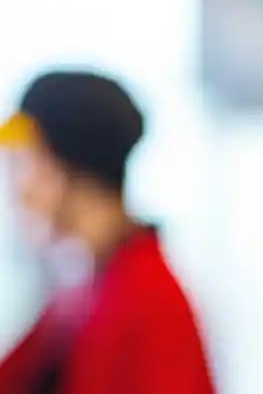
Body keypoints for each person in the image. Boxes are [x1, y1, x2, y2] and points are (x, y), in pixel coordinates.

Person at [0, 70, 215, 394]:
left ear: (63, 168)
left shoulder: (149, 301)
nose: (17, 189)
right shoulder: (84, 289)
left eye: (24, 164)